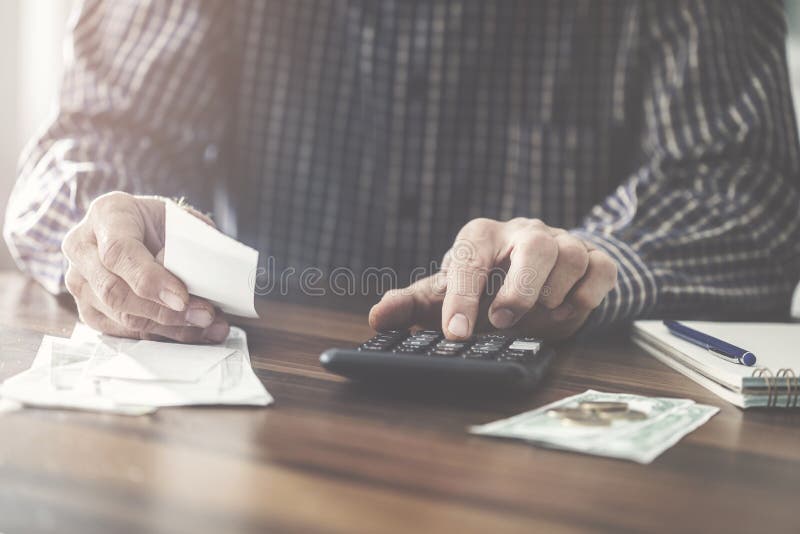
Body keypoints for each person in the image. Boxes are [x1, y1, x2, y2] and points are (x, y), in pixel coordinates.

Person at [5, 0, 800, 345]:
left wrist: (592, 261)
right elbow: (94, 137)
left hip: (562, 439)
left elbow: (752, 197)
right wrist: (111, 233)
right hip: (256, 410)